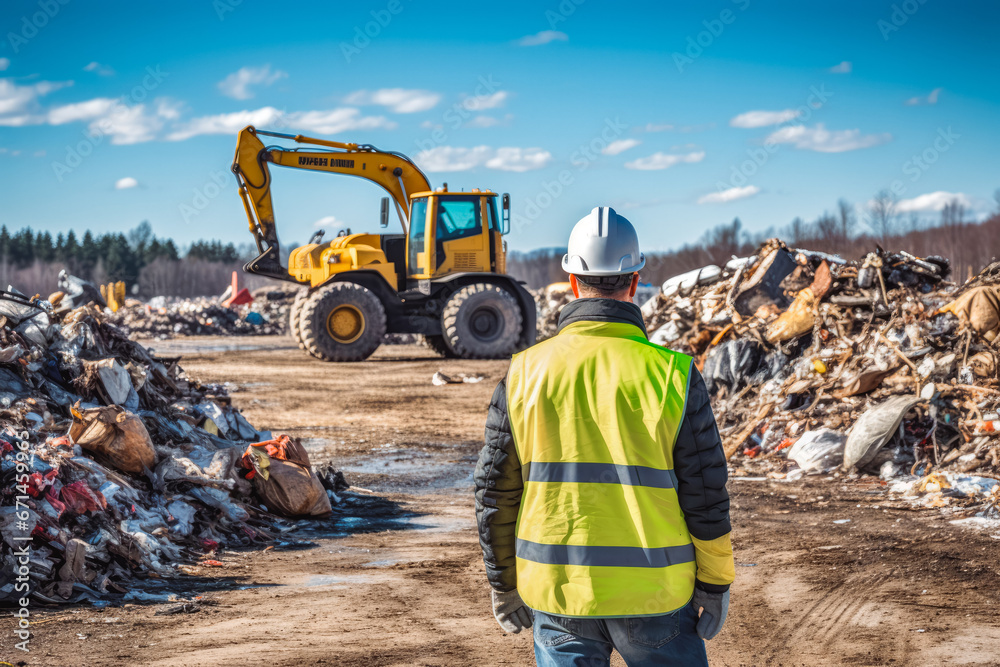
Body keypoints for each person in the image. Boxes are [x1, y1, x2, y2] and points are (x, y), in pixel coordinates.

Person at [474, 206, 734, 665]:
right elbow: (706, 492)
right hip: (655, 594)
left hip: (558, 595)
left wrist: (503, 582)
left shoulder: (523, 376)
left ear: (572, 281)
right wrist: (714, 583)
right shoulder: (672, 375)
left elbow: (495, 491)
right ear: (634, 280)